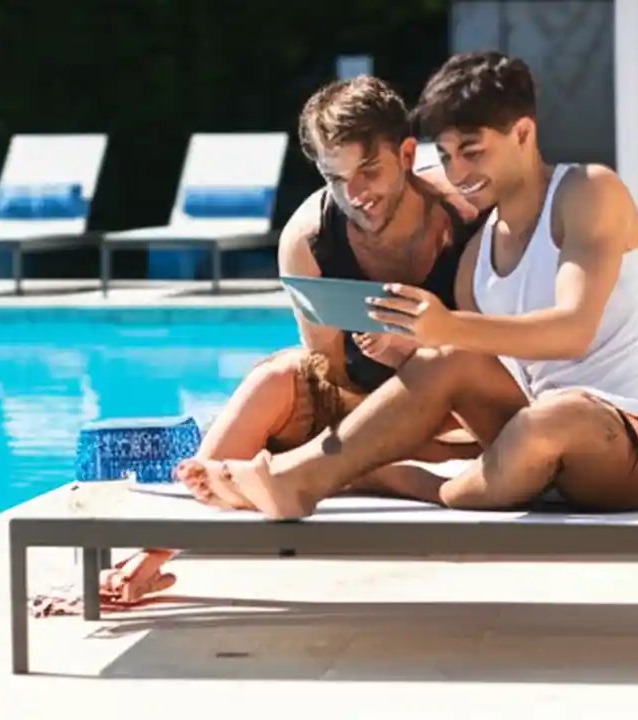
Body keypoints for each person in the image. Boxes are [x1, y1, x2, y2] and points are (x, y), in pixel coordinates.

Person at [174, 50, 638, 519]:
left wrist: (446, 327)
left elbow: (573, 331)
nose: (457, 172)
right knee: (458, 367)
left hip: (629, 438)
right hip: (529, 430)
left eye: (472, 151)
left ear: (523, 133)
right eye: (446, 155)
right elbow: (486, 369)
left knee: (549, 419)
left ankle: (382, 479)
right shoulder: (478, 255)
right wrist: (413, 349)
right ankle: (303, 480)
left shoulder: (588, 191)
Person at [98, 74, 490, 604]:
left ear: (404, 154)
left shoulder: (467, 216)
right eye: (336, 178)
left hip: (456, 414)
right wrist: (380, 398)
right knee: (277, 377)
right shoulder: (309, 241)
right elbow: (330, 370)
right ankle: (153, 554)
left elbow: (501, 358)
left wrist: (410, 355)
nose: (356, 195)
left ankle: (350, 471)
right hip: (357, 404)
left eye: (369, 170)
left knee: (458, 386)